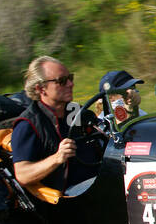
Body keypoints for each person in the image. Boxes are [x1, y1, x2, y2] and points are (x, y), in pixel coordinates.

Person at [11, 56, 102, 191]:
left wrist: (129, 108)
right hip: (67, 198)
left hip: (99, 182)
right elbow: (22, 175)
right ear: (41, 89)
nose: (71, 84)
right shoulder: (27, 124)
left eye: (70, 78)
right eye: (62, 81)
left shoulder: (77, 112)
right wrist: (57, 158)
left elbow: (108, 134)